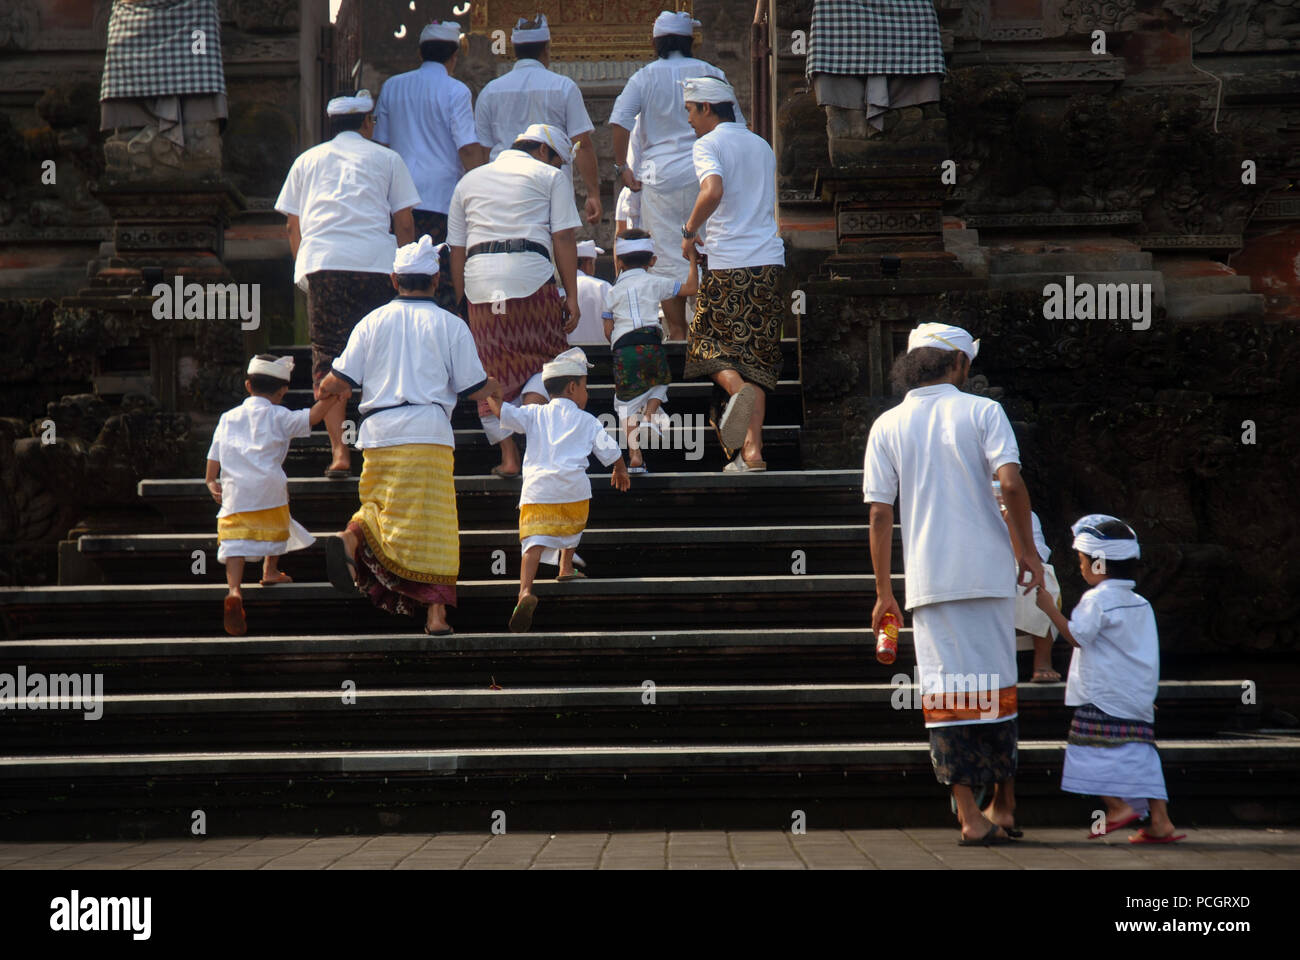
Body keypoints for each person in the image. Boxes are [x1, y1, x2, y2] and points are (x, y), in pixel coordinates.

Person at [864, 322, 1046, 845]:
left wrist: (884, 592)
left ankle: (970, 815)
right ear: (960, 364)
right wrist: (1028, 551)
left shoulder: (887, 424)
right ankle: (1004, 804)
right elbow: (1010, 483)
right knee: (997, 687)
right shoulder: (983, 411)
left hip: (928, 579)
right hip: (989, 573)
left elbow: (880, 514)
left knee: (945, 695)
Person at [319, 236, 501, 636]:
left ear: (393, 279)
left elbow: (337, 378)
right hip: (428, 433)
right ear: (436, 280)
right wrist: (497, 388)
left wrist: (326, 387)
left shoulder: (371, 322)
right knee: (435, 525)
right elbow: (474, 387)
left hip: (380, 434)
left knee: (379, 509)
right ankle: (436, 616)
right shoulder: (452, 325)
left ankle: (348, 540)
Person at [275, 90, 420, 478]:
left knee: (329, 356)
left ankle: (340, 451)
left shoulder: (307, 160)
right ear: (367, 123)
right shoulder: (388, 158)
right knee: (379, 354)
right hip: (375, 264)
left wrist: (305, 266)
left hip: (324, 265)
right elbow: (404, 223)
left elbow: (293, 224)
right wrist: (405, 269)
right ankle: (380, 448)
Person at [1034, 516, 1185, 843]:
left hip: (1102, 696)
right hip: (1136, 696)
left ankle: (1117, 807)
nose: (1081, 567)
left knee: (1088, 749)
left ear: (1099, 563)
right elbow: (1143, 651)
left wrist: (1049, 608)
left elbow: (1077, 636)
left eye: (1082, 560)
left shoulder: (1097, 600)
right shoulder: (1141, 603)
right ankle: (1160, 821)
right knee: (1140, 753)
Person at [447, 122, 582, 478]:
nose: (556, 168)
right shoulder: (550, 178)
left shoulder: (469, 181)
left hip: (480, 285)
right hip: (531, 278)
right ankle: (537, 441)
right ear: (543, 151)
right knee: (548, 359)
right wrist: (572, 295)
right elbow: (564, 238)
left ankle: (509, 457)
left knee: (490, 370)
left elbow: (456, 249)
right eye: (556, 161)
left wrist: (464, 301)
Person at [609, 11, 742, 340]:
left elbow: (620, 120)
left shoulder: (644, 76)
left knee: (668, 257)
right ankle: (708, 336)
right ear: (690, 40)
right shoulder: (712, 73)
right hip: (706, 174)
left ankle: (678, 335)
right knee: (707, 251)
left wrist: (622, 168)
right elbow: (737, 127)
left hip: (660, 178)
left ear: (656, 43)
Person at [679, 77, 783, 473]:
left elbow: (713, 191)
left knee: (705, 344)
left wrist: (690, 232)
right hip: (769, 264)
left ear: (706, 107)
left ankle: (736, 392)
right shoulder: (761, 144)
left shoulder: (708, 144)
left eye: (690, 110)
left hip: (728, 264)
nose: (689, 119)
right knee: (756, 358)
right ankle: (751, 453)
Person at [487, 348, 630, 633]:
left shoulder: (534, 414)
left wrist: (490, 393)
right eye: (585, 387)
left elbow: (504, 413)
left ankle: (525, 590)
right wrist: (620, 469)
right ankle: (565, 567)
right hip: (574, 490)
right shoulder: (587, 420)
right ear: (573, 387)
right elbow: (609, 449)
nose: (586, 394)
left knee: (533, 542)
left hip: (538, 490)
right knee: (571, 526)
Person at [205, 355, 337, 636]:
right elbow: (313, 416)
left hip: (235, 490)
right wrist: (334, 396)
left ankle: (235, 590)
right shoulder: (279, 415)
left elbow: (214, 454)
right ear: (282, 392)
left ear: (248, 385)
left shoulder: (228, 418)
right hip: (270, 487)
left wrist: (209, 481)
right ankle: (270, 570)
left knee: (234, 542)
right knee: (278, 527)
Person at [373, 21, 486, 314]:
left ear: (420, 53)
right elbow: (468, 148)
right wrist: (481, 192)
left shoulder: (392, 87)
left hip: (398, 203)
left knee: (403, 276)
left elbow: (381, 145)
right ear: (454, 56)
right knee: (441, 280)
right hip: (443, 200)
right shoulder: (456, 90)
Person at [474, 15, 601, 225]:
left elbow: (484, 152)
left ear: (515, 51)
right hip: (551, 187)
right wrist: (593, 194)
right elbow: (582, 145)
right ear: (546, 49)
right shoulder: (564, 87)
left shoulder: (490, 91)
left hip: (502, 188)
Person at [603, 230, 699, 473]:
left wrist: (617, 345)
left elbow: (608, 327)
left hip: (624, 347)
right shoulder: (656, 282)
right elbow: (690, 288)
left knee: (623, 404)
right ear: (652, 261)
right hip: (651, 343)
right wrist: (693, 260)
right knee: (660, 381)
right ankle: (650, 414)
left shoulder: (611, 292)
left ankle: (635, 456)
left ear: (619, 262)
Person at [806, 0, 946, 163]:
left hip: (905, 9)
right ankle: (855, 123)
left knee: (923, 14)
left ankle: (902, 115)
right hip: (844, 7)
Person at [994, 479, 1063, 682]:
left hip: (1014, 579)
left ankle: (1042, 661)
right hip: (978, 579)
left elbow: (1032, 562)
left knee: (1044, 577)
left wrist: (1011, 523)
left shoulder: (1028, 516)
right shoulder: (965, 515)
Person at [568, 240, 611, 345]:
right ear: (589, 263)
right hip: (602, 353)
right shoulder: (603, 286)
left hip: (567, 354)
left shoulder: (561, 288)